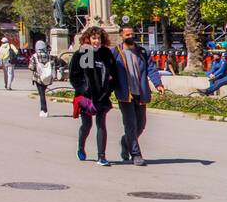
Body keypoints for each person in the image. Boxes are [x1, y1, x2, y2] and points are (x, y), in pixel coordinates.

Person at [113, 26, 165, 166]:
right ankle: (136, 154)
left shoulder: (142, 51)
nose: (130, 36)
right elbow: (110, 72)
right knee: (130, 124)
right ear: (121, 36)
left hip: (140, 93)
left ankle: (125, 142)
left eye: (132, 34)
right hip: (125, 94)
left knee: (141, 125)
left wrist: (158, 84)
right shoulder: (116, 52)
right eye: (127, 34)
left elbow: (151, 69)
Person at [69, 26, 118, 165]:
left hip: (102, 97)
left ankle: (101, 156)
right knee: (87, 125)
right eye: (94, 38)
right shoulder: (85, 52)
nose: (96, 41)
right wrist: (85, 90)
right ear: (88, 39)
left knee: (101, 124)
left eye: (99, 38)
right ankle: (81, 147)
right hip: (87, 98)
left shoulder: (106, 53)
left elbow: (114, 75)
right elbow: (76, 76)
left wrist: (109, 89)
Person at [29, 40, 58, 117]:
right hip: (46, 77)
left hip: (38, 77)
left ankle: (44, 110)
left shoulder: (34, 56)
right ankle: (43, 109)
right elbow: (52, 65)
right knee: (43, 93)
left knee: (42, 94)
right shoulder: (49, 56)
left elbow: (31, 67)